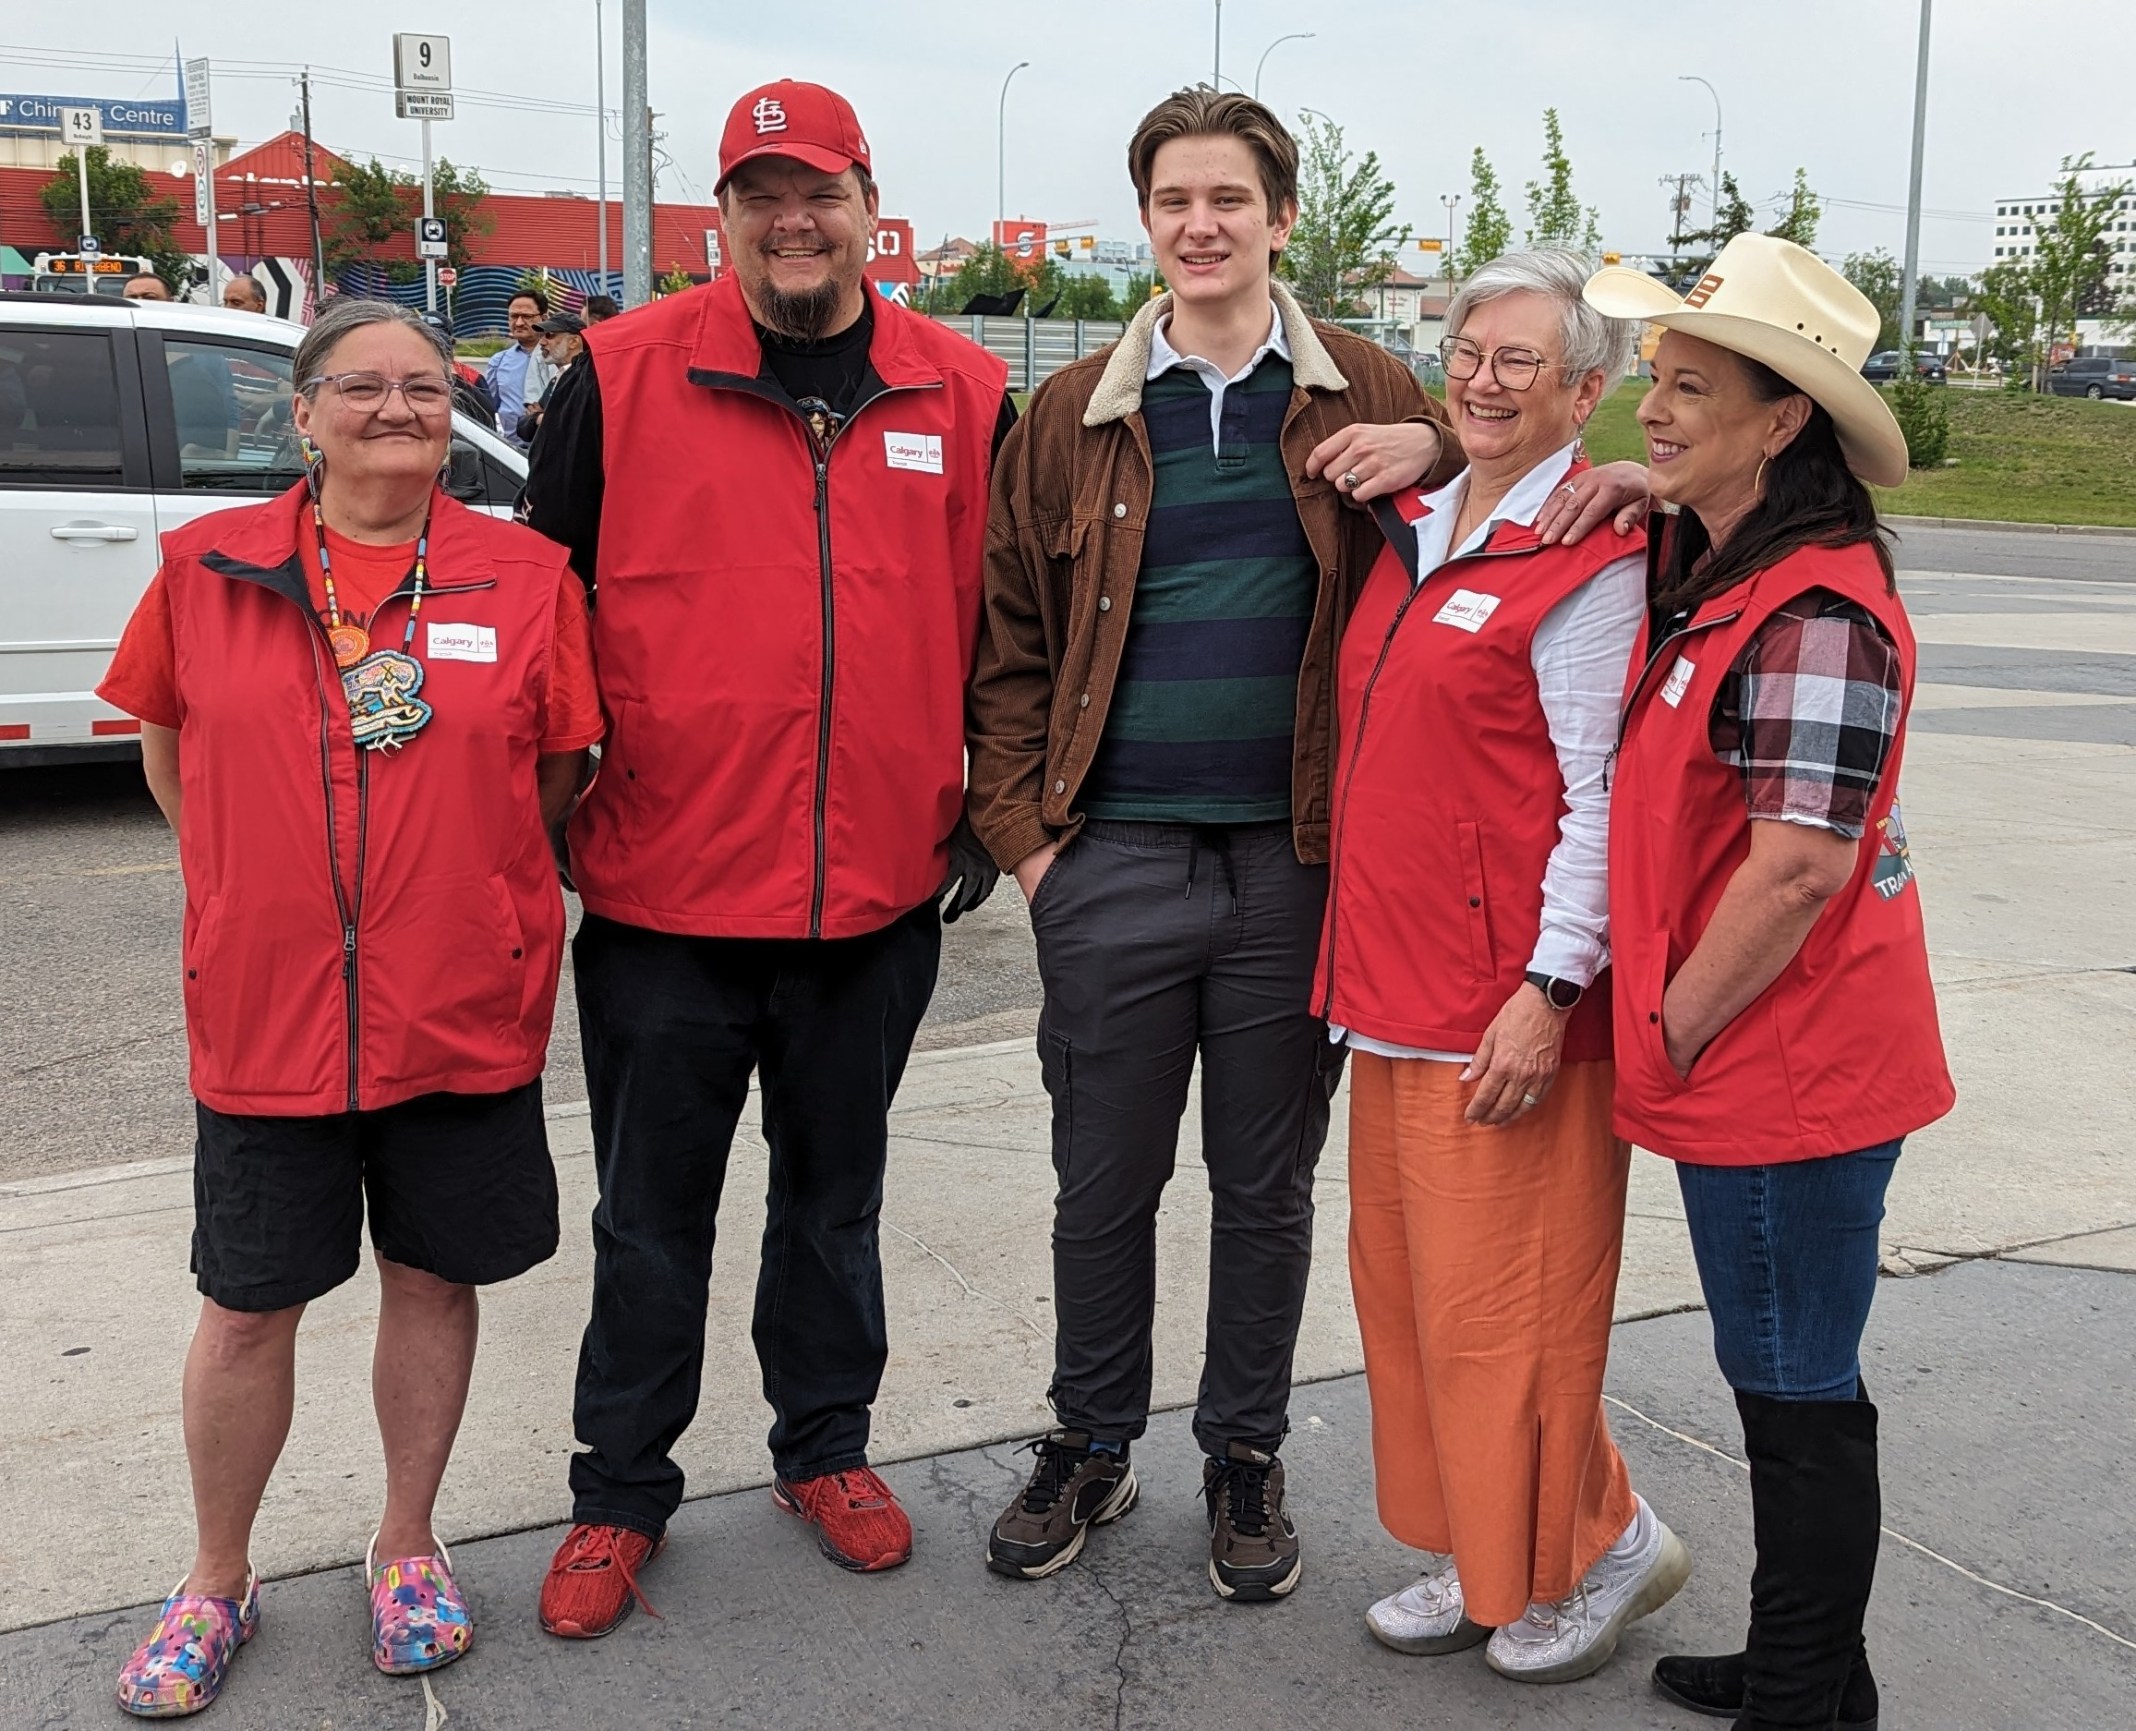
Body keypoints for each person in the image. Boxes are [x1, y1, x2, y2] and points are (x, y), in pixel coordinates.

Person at [966, 89, 1647, 1603]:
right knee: (1101, 1180)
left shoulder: (1383, 389)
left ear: (1282, 217)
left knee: (1264, 1185)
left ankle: (1243, 1454)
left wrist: (1623, 473)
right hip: (1111, 863)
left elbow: (1529, 480)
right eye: (1172, 201)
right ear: (1145, 221)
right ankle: (1089, 1436)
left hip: (1297, 868)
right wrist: (1031, 850)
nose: (1199, 225)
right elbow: (1006, 646)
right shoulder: (1072, 411)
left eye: (1230, 198)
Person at [520, 79, 1011, 1637]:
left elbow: (1012, 627)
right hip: (666, 896)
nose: (792, 221)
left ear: (871, 199)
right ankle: (619, 1491)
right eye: (759, 193)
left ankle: (825, 1449)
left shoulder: (967, 390)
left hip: (874, 893)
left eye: (820, 190)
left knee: (833, 1204)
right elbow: (544, 616)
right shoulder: (615, 373)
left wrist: (979, 809)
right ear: (719, 216)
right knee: (649, 1217)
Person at [95, 297, 602, 1718]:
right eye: (365, 385)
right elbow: (170, 757)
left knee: (435, 1277)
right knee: (249, 1304)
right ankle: (215, 1576)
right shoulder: (207, 569)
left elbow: (554, 775)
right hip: (270, 1012)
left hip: (457, 1005)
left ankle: (405, 1543)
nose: (401, 408)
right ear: (302, 413)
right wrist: (266, 895)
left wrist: (466, 895)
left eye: (429, 388)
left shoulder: (524, 574)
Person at [1582, 234, 1956, 1730]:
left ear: (1782, 417)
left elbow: (1797, 868)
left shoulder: (1812, 609)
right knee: (1782, 1367)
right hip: (1769, 1053)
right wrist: (1639, 496)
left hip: (1783, 1064)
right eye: (1654, 382)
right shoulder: (1732, 566)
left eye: (1690, 388)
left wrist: (1669, 1026)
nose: (1651, 412)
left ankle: (1807, 1687)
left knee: (1799, 1381)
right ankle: (1817, 1656)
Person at [1317, 248, 1688, 1683]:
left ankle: (1601, 1543)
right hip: (1389, 985)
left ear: (1587, 392)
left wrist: (1551, 987)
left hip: (1508, 1004)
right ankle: (1483, 1553)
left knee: (1509, 1313)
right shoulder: (1415, 521)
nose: (1482, 376)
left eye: (1521, 360)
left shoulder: (1590, 559)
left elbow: (1600, 793)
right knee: (1412, 1301)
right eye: (1467, 349)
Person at [486, 289, 557, 449]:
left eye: (526, 316)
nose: (518, 323)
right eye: (513, 316)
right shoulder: (499, 362)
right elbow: (489, 409)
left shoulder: (560, 358)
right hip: (513, 452)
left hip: (554, 449)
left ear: (544, 318)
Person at [517, 311, 585, 443]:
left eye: (549, 335)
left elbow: (570, 426)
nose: (542, 342)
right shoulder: (558, 377)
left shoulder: (584, 380)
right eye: (542, 335)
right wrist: (539, 418)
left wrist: (541, 418)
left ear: (573, 342)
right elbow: (523, 428)